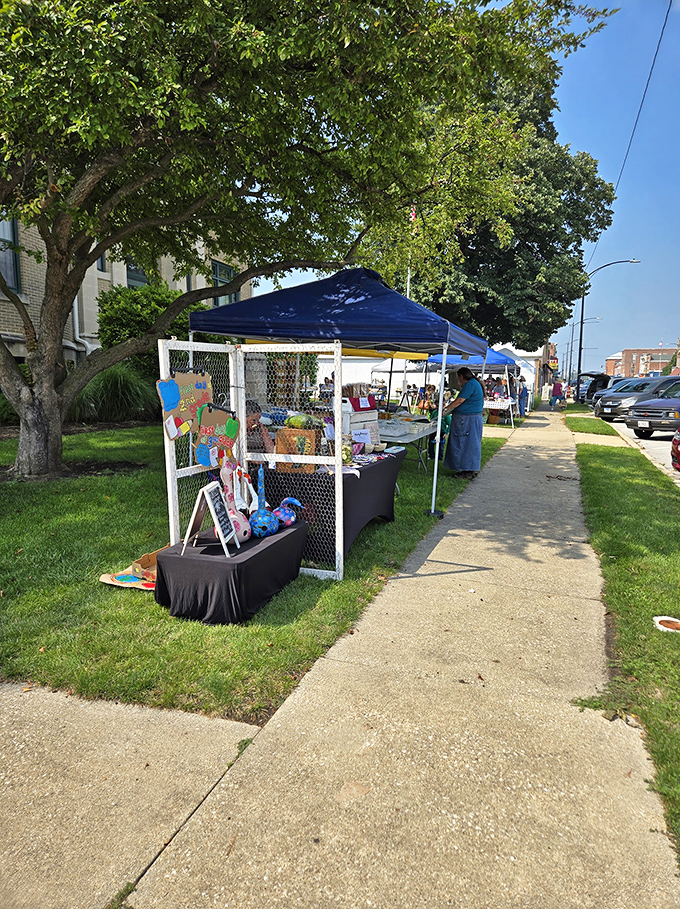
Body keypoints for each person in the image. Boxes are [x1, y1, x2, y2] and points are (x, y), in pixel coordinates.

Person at [442, 367, 485, 479]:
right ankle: (469, 468)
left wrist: (445, 410)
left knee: (463, 444)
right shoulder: (475, 383)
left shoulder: (470, 384)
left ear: (461, 376)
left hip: (466, 420)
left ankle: (465, 470)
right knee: (470, 444)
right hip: (471, 418)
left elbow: (459, 400)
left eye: (458, 378)